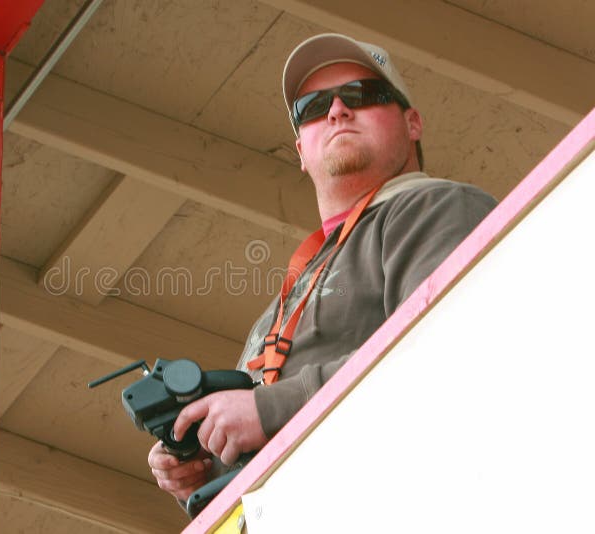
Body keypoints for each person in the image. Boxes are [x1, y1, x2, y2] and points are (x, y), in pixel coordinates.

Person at [148, 33, 497, 505]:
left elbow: (444, 348)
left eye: (362, 94)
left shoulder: (436, 206)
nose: (336, 111)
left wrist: (268, 409)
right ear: (299, 150)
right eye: (313, 107)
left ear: (412, 123)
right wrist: (202, 463)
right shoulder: (286, 299)